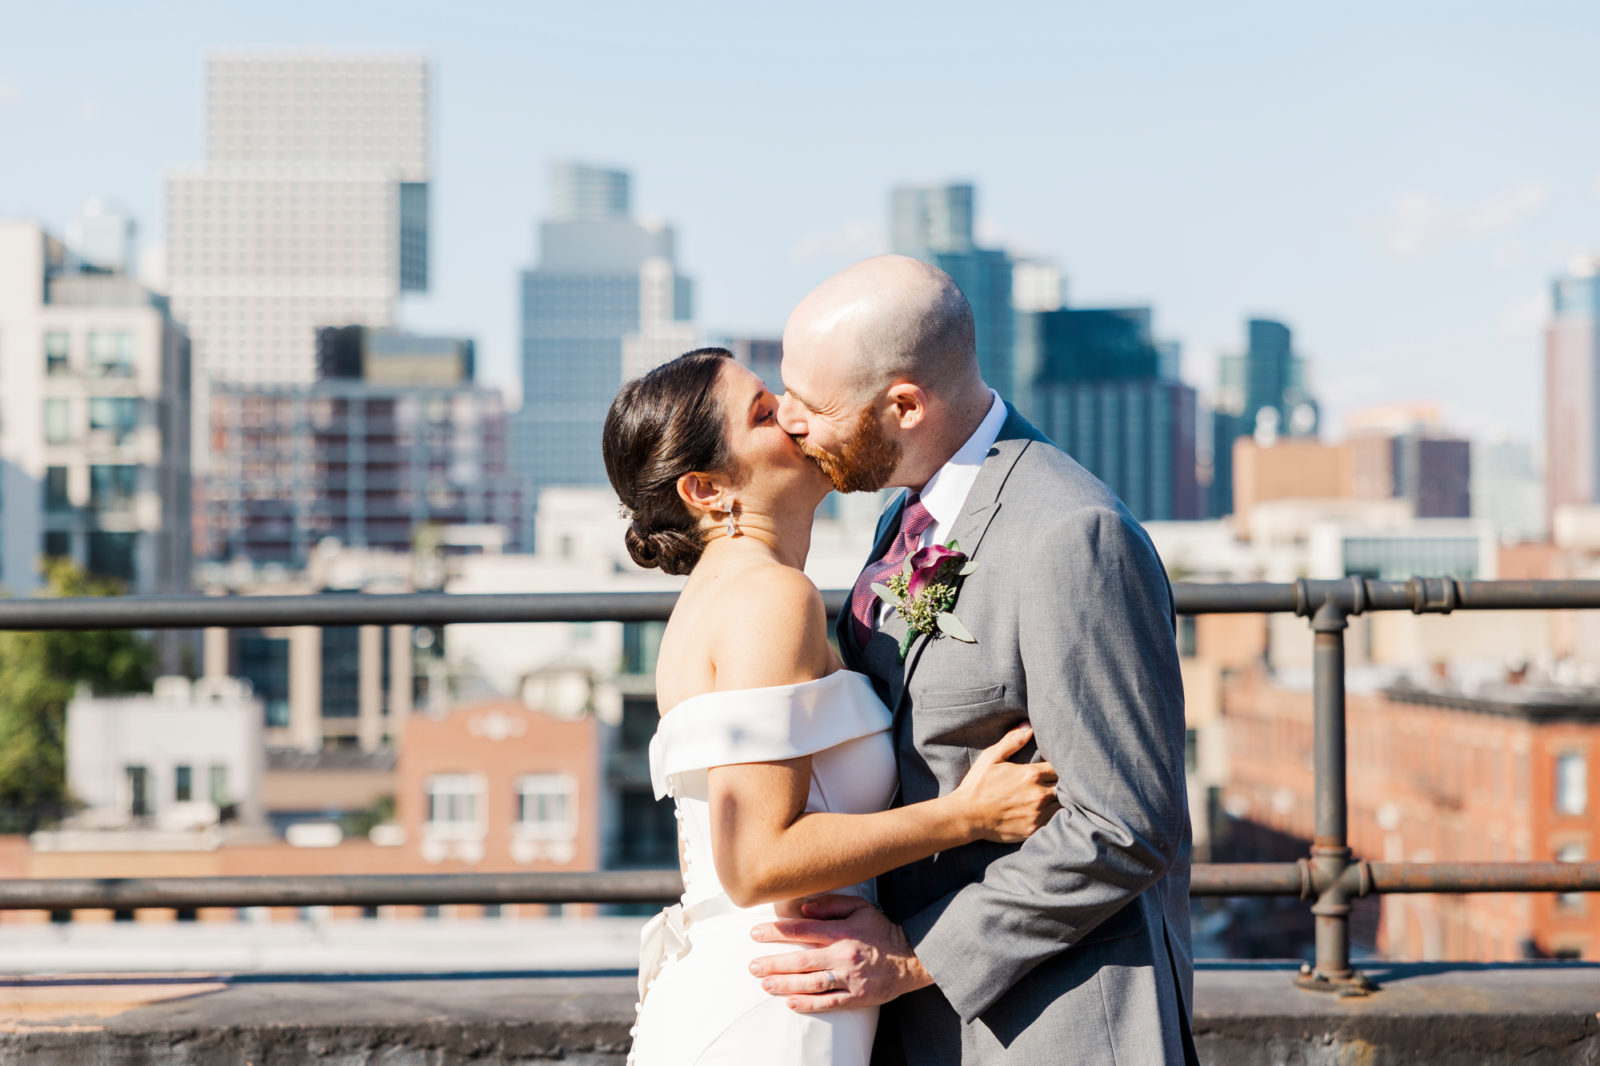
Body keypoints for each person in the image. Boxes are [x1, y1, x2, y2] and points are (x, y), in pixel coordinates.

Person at [746, 255, 1197, 1065]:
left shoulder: (1071, 534)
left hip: (1051, 1032)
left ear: (905, 406)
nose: (789, 421)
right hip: (926, 1030)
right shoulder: (905, 515)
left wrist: (912, 956)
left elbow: (1124, 826)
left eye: (812, 404)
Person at [603, 346, 1061, 1066]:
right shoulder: (768, 598)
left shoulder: (721, 598)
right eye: (762, 413)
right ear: (706, 489)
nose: (792, 416)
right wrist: (968, 815)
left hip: (772, 981)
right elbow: (754, 860)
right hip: (778, 1003)